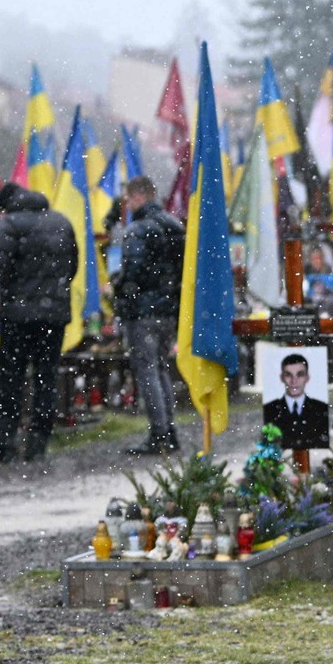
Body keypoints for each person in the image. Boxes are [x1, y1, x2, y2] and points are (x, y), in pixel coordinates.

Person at [0, 180, 75, 462]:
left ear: (4, 209)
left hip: (18, 316)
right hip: (54, 316)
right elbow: (72, 267)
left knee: (11, 379)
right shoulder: (61, 222)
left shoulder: (10, 225)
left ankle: (4, 443)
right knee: (46, 377)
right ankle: (38, 443)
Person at [114, 175, 183, 455]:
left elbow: (133, 273)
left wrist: (118, 287)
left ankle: (159, 433)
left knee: (147, 371)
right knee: (162, 368)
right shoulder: (175, 226)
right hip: (168, 310)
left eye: (129, 199)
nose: (128, 205)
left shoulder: (138, 230)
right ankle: (170, 430)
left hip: (144, 312)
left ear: (139, 197)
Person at [261, 351, 329, 449]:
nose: (294, 381)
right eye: (288, 375)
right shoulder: (269, 410)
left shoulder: (321, 409)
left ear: (307, 377)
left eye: (300, 375)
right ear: (282, 378)